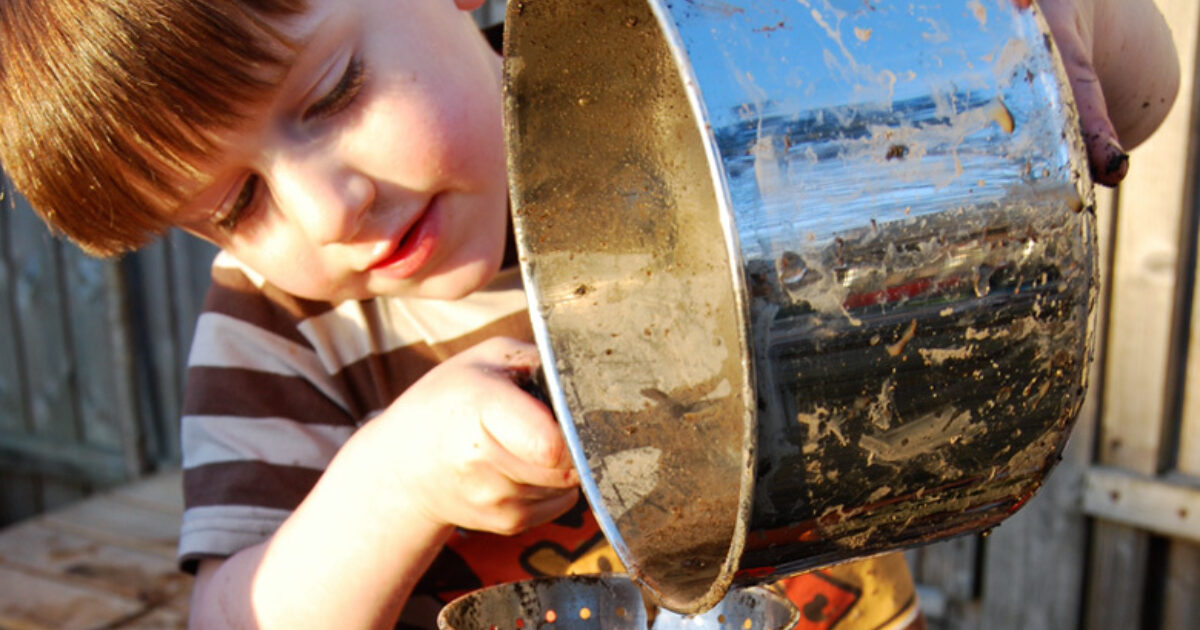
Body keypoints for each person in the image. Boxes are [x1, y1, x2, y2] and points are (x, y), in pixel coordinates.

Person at [0, 0, 1178, 629]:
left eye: (331, 94)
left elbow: (1133, 97)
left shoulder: (686, 82)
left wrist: (1040, 24)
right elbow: (234, 623)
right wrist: (390, 487)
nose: (331, 206)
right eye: (236, 203)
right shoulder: (285, 329)